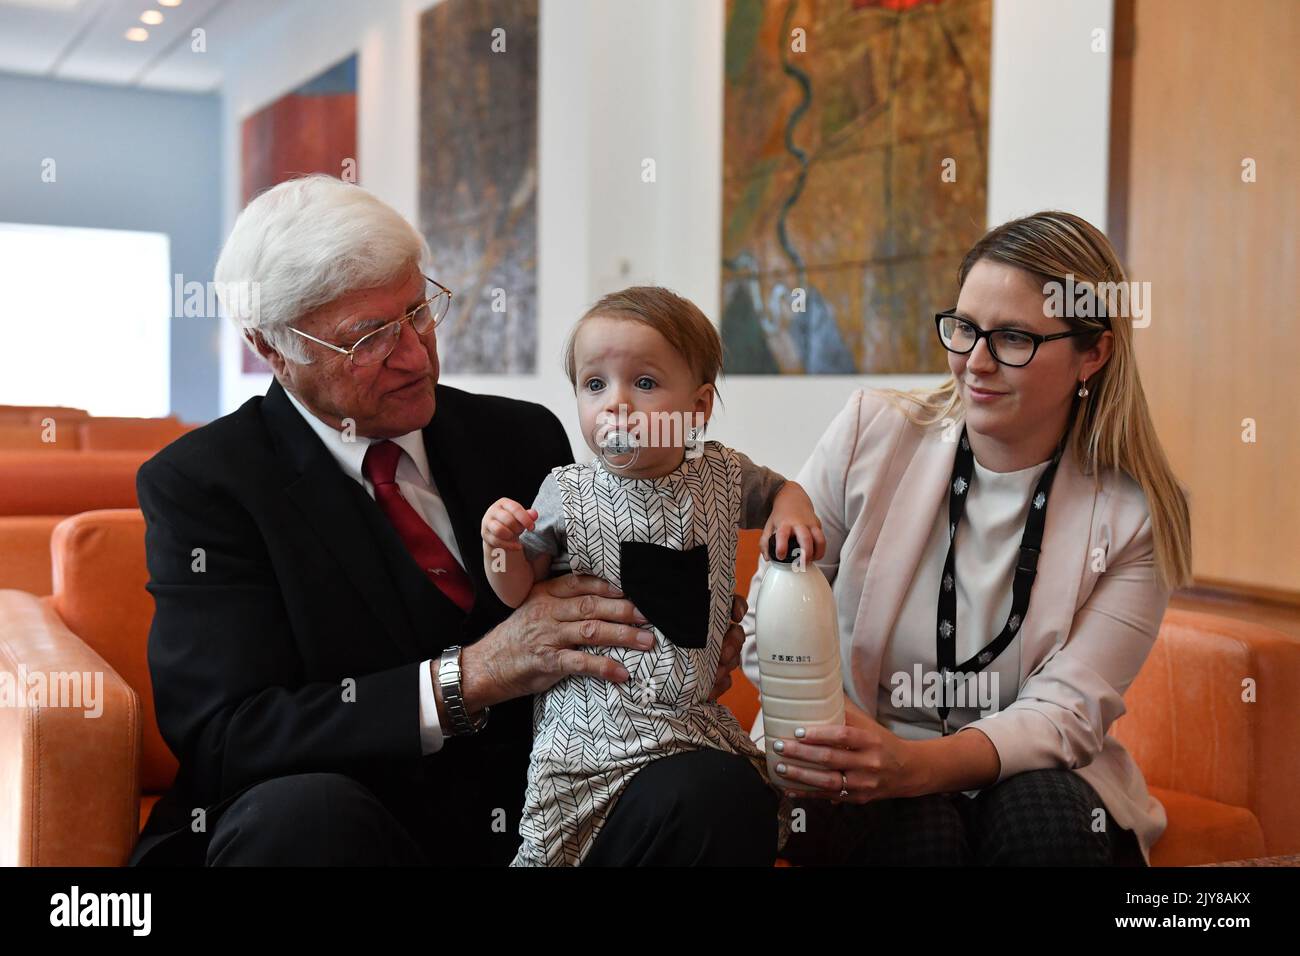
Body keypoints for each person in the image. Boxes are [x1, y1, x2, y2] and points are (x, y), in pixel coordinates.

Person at [130, 175, 767, 866]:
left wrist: (675, 634)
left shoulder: (522, 436)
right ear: (272, 348)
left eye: (417, 312)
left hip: (537, 813)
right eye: (367, 338)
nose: (415, 355)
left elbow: (600, 586)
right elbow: (228, 735)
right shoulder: (204, 483)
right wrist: (470, 676)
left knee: (716, 791)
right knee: (302, 821)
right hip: (350, 822)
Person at [741, 211, 1193, 866]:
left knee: (1050, 831)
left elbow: (1064, 712)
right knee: (921, 836)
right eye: (964, 328)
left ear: (1092, 354)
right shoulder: (871, 432)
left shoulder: (1136, 517)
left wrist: (917, 766)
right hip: (851, 748)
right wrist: (836, 733)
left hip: (1024, 762)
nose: (975, 363)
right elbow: (773, 616)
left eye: (1012, 338)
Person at [481, 287, 824, 865]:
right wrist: (502, 547)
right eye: (595, 385)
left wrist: (793, 509)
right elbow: (517, 592)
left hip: (687, 719)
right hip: (589, 729)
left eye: (644, 383)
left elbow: (781, 490)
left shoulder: (724, 473)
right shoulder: (566, 491)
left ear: (698, 407)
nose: (616, 405)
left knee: (740, 801)